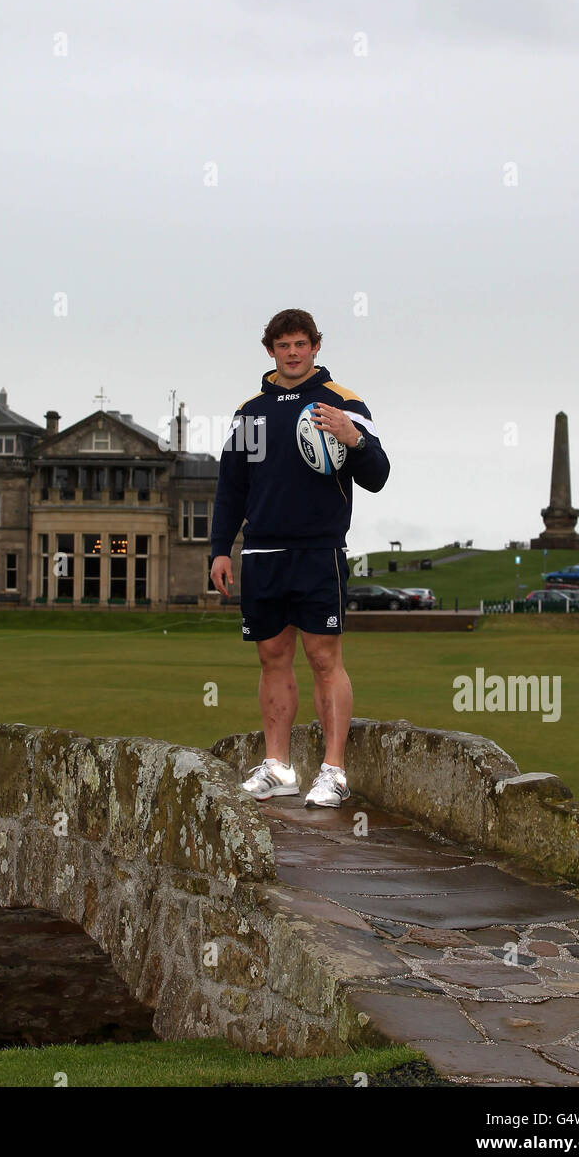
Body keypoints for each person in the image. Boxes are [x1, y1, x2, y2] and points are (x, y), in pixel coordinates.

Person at [210, 309, 390, 807]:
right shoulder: (249, 412)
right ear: (270, 350)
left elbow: (378, 474)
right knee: (271, 659)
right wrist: (220, 550)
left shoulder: (343, 403)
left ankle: (333, 771)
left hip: (319, 551)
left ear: (316, 347)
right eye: (283, 344)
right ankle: (277, 766)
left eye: (301, 343)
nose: (293, 352)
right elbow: (231, 488)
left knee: (324, 658)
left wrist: (352, 439)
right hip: (262, 552)